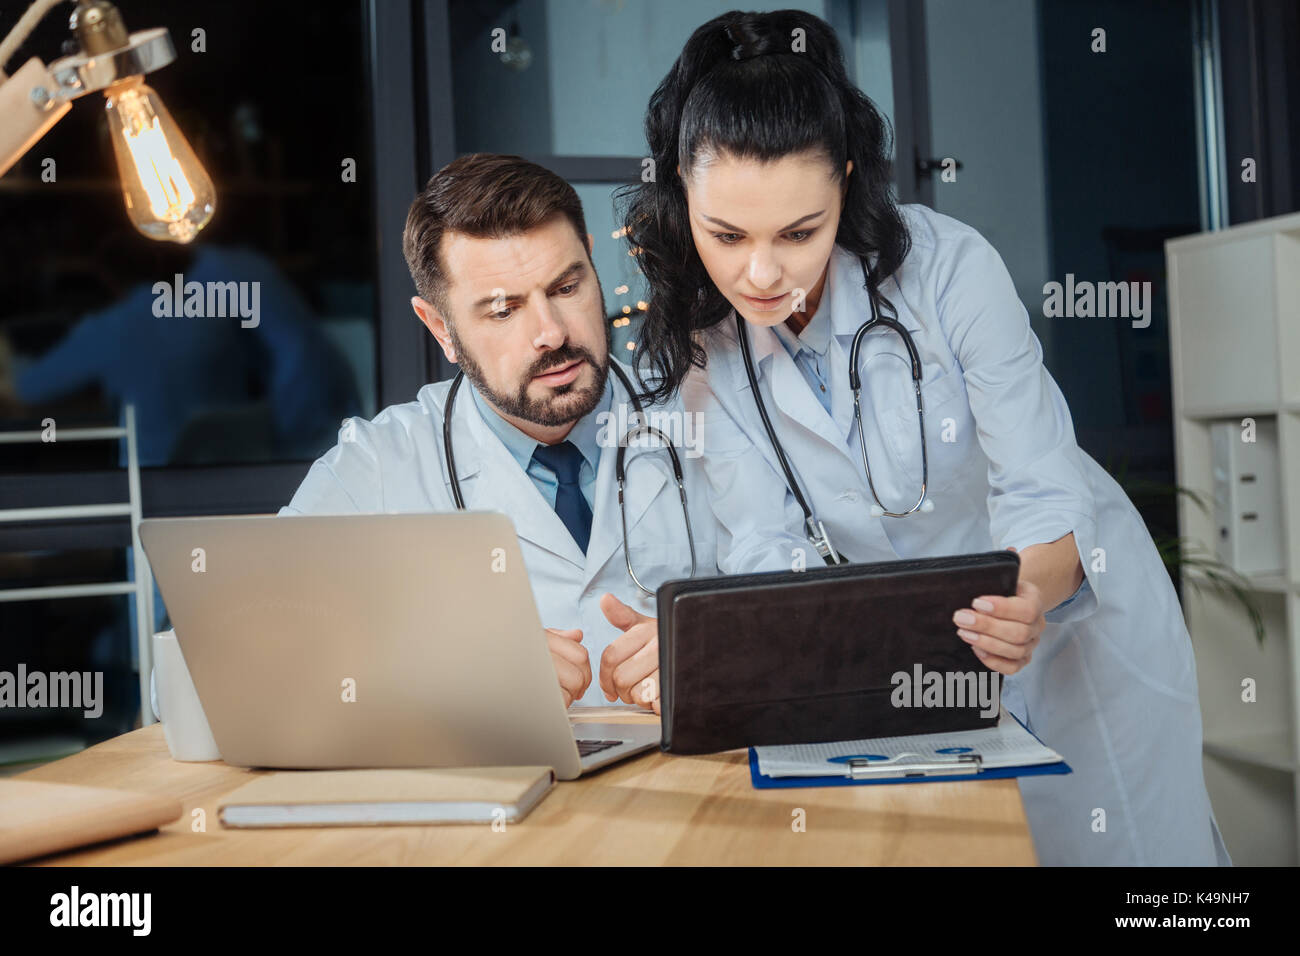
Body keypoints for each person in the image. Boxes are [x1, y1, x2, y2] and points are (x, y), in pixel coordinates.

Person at [621, 8, 1229, 866]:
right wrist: (711, 643)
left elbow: (1043, 490)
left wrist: (1027, 600)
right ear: (682, 194)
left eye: (800, 232)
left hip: (1072, 627)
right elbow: (762, 545)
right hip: (910, 659)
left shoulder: (949, 270)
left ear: (849, 181)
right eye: (727, 235)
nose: (761, 273)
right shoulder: (709, 345)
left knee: (1132, 857)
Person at [280, 154, 715, 710]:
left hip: (681, 790)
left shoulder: (701, 413)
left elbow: (815, 621)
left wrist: (714, 650)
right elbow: (216, 677)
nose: (552, 334)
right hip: (499, 796)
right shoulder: (377, 466)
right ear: (442, 329)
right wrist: (456, 668)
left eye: (564, 288)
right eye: (504, 311)